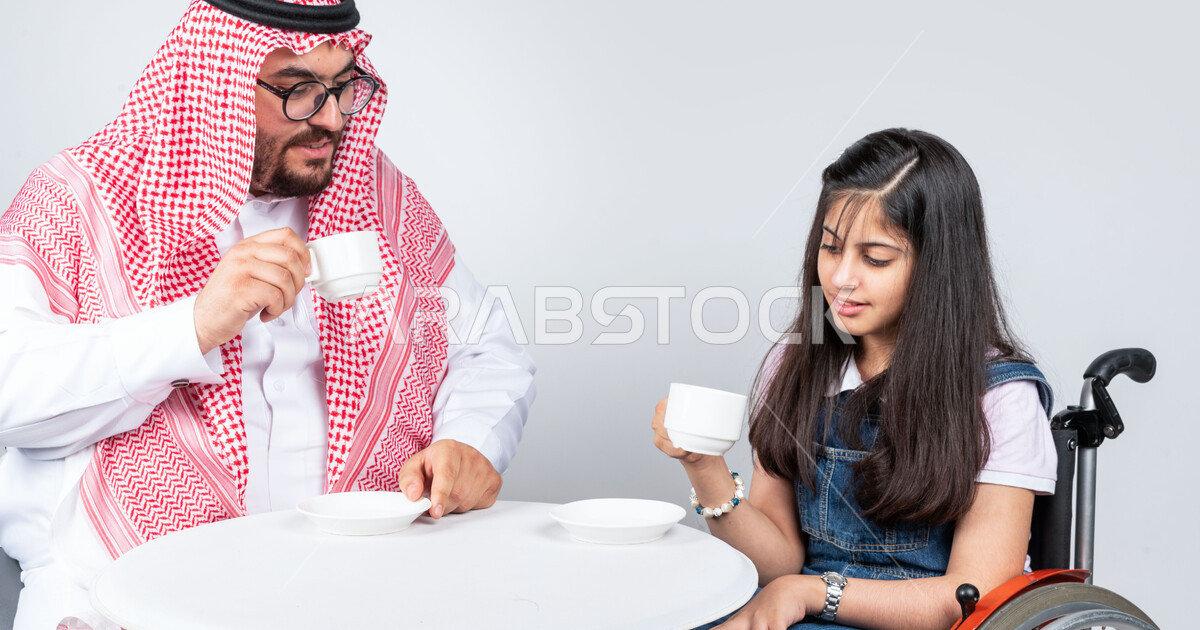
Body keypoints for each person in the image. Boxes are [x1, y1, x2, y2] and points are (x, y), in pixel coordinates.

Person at [0, 1, 535, 627]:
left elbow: (483, 345)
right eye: (298, 90)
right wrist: (194, 325)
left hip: (362, 589)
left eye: (341, 87)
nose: (332, 119)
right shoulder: (85, 197)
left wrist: (469, 441)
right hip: (119, 595)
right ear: (214, 84)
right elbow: (12, 394)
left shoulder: (375, 192)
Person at [652, 128, 1056, 629]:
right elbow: (775, 564)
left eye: (875, 258)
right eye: (831, 248)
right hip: (804, 611)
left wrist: (813, 592)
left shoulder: (999, 395)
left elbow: (972, 594)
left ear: (938, 265)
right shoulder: (798, 363)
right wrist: (703, 464)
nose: (842, 278)